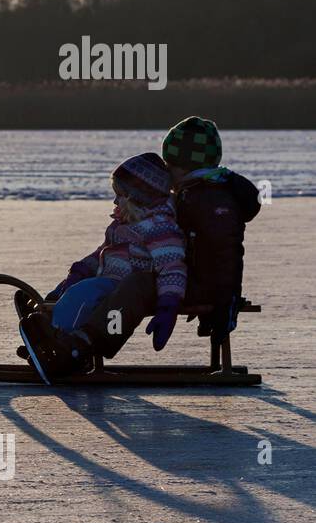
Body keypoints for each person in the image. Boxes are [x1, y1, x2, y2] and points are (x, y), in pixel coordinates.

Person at [19, 152, 187, 383]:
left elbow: (172, 268)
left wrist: (169, 305)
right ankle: (44, 321)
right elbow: (102, 252)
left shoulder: (159, 228)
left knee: (84, 293)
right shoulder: (123, 224)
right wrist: (80, 270)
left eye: (120, 196)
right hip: (108, 280)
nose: (115, 202)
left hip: (128, 290)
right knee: (74, 288)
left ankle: (63, 344)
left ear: (137, 197)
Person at [161, 115, 261, 345]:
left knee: (132, 286)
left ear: (186, 166)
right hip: (192, 280)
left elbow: (225, 254)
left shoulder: (211, 199)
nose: (167, 172)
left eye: (171, 165)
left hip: (204, 288)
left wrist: (225, 302)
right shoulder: (194, 192)